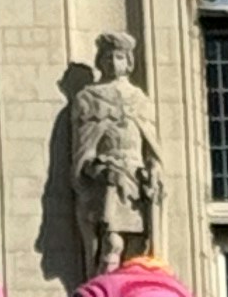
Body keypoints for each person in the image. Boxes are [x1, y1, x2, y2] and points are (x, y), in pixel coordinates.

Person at [67, 33, 162, 279]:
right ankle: (104, 288)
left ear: (128, 61)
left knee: (137, 248)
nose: (113, 62)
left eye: (119, 57)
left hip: (136, 180)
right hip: (109, 179)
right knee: (112, 242)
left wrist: (154, 170)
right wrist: (97, 170)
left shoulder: (140, 100)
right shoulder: (88, 98)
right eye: (107, 57)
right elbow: (83, 149)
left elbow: (151, 146)